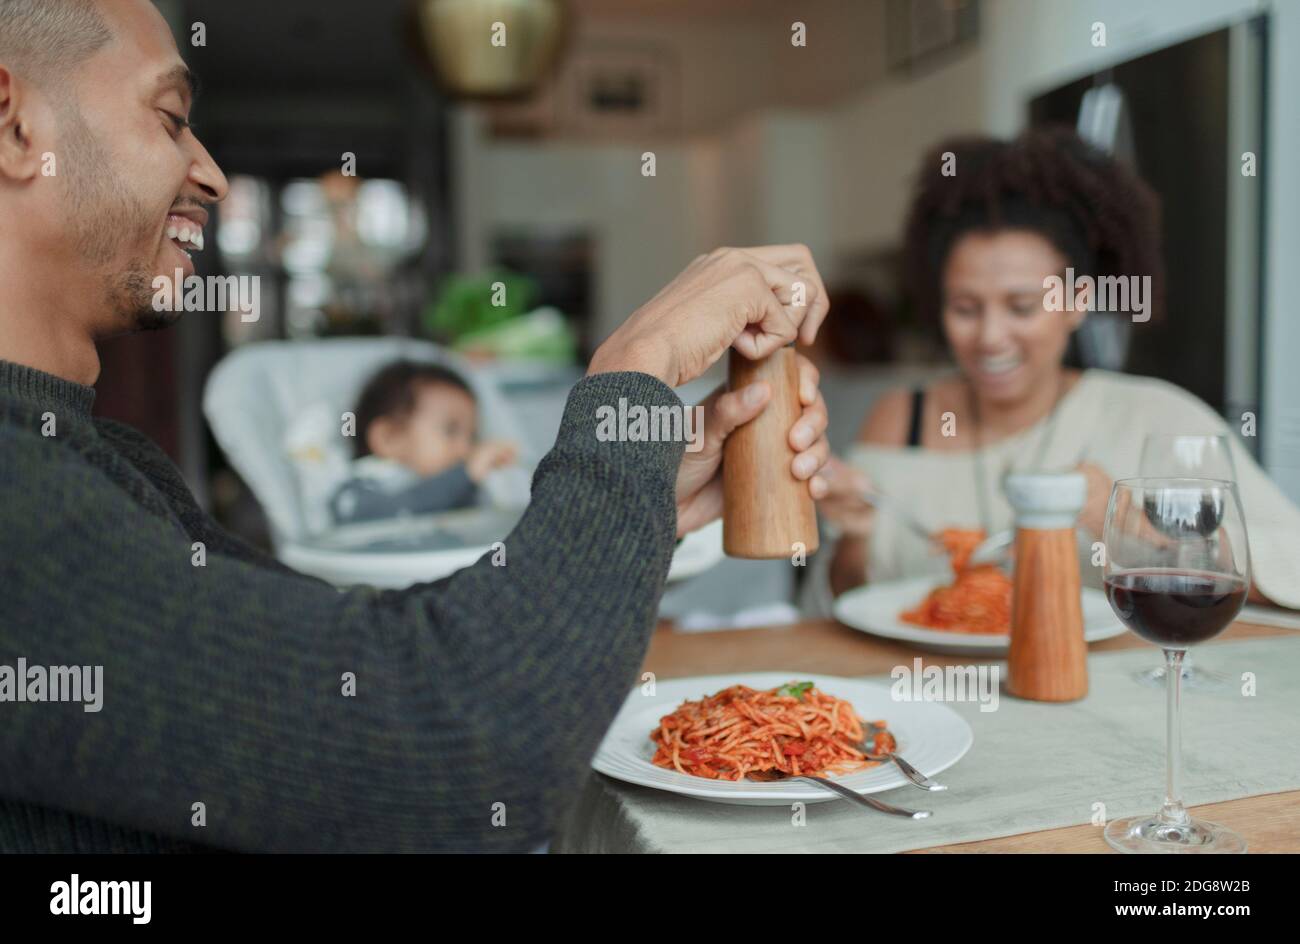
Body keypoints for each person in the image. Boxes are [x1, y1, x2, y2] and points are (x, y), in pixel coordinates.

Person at [0, 0, 833, 852]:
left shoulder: (101, 457)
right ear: (13, 126)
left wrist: (643, 495)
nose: (210, 173)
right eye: (172, 118)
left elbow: (367, 663)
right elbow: (455, 749)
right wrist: (636, 367)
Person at [816, 127, 1300, 610]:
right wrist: (853, 537)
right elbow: (847, 602)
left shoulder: (1155, 416)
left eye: (1022, 307)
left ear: (1077, 301)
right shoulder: (903, 417)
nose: (989, 337)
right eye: (965, 308)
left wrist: (1147, 530)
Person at [329, 360, 518, 526]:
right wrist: (465, 474)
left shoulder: (461, 492)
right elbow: (397, 513)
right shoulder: (357, 492)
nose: (465, 448)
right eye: (451, 430)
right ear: (390, 438)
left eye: (472, 437)